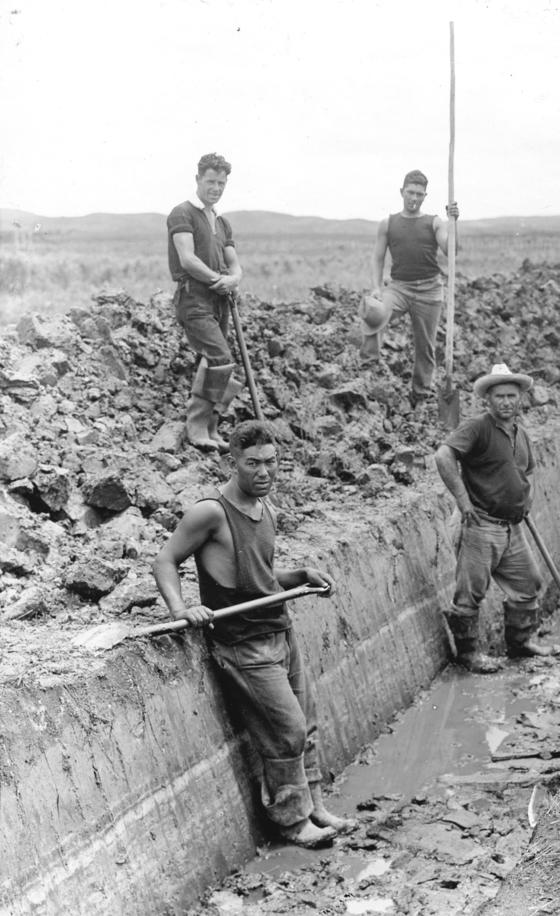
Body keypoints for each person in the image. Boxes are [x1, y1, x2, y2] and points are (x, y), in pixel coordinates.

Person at [151, 421, 353, 848]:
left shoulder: (267, 509)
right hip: (242, 643)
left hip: (279, 629)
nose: (264, 472)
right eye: (253, 464)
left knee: (307, 724)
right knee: (287, 730)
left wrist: (298, 575)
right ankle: (292, 821)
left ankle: (314, 804)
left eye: (271, 462)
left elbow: (257, 576)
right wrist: (181, 608)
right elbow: (165, 561)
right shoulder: (211, 512)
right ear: (232, 463)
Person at [434, 363, 556, 674]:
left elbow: (527, 471)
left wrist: (525, 498)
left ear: (520, 399)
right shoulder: (477, 428)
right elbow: (443, 456)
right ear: (488, 399)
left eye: (511, 396)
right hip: (481, 524)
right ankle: (469, 654)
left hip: (512, 527)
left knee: (529, 583)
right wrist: (463, 502)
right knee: (470, 592)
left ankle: (519, 644)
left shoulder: (521, 434)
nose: (506, 401)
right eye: (499, 396)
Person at [167, 152, 244, 452]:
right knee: (221, 358)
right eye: (210, 181)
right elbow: (187, 259)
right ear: (198, 179)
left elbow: (234, 264)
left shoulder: (222, 222)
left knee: (217, 362)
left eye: (221, 183)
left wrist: (233, 279)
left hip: (219, 300)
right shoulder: (182, 213)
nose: (216, 187)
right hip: (194, 297)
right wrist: (219, 279)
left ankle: (210, 428)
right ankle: (196, 427)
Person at [364, 169, 460, 406]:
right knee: (373, 314)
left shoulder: (434, 222)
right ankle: (368, 370)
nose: (414, 198)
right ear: (401, 192)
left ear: (425, 196)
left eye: (419, 194)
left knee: (425, 346)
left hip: (429, 291)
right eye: (410, 192)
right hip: (399, 288)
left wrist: (453, 223)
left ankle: (420, 394)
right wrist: (377, 287)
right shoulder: (388, 223)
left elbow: (451, 251)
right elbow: (377, 257)